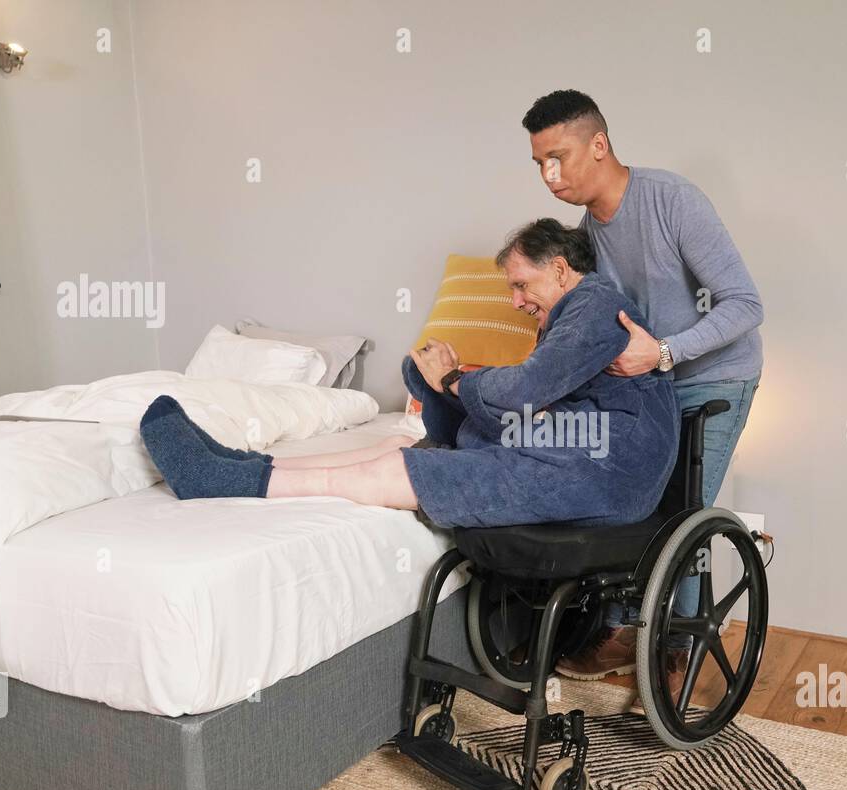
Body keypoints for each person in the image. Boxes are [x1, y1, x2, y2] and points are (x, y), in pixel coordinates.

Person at [137, 219, 680, 533]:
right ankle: (247, 464)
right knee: (417, 448)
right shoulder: (576, 311)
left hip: (606, 470)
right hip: (579, 452)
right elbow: (533, 390)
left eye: (520, 286)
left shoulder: (591, 309)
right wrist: (450, 379)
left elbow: (526, 391)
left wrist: (453, 382)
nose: (516, 302)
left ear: (559, 269)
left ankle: (221, 480)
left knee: (412, 468)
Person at [519, 89, 765, 683]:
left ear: (599, 145)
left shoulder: (672, 201)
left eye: (559, 157)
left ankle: (677, 647)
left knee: (682, 513)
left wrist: (665, 351)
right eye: (539, 164)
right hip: (648, 385)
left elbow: (745, 305)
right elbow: (592, 318)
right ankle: (626, 630)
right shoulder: (588, 233)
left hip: (713, 374)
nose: (549, 175)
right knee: (635, 504)